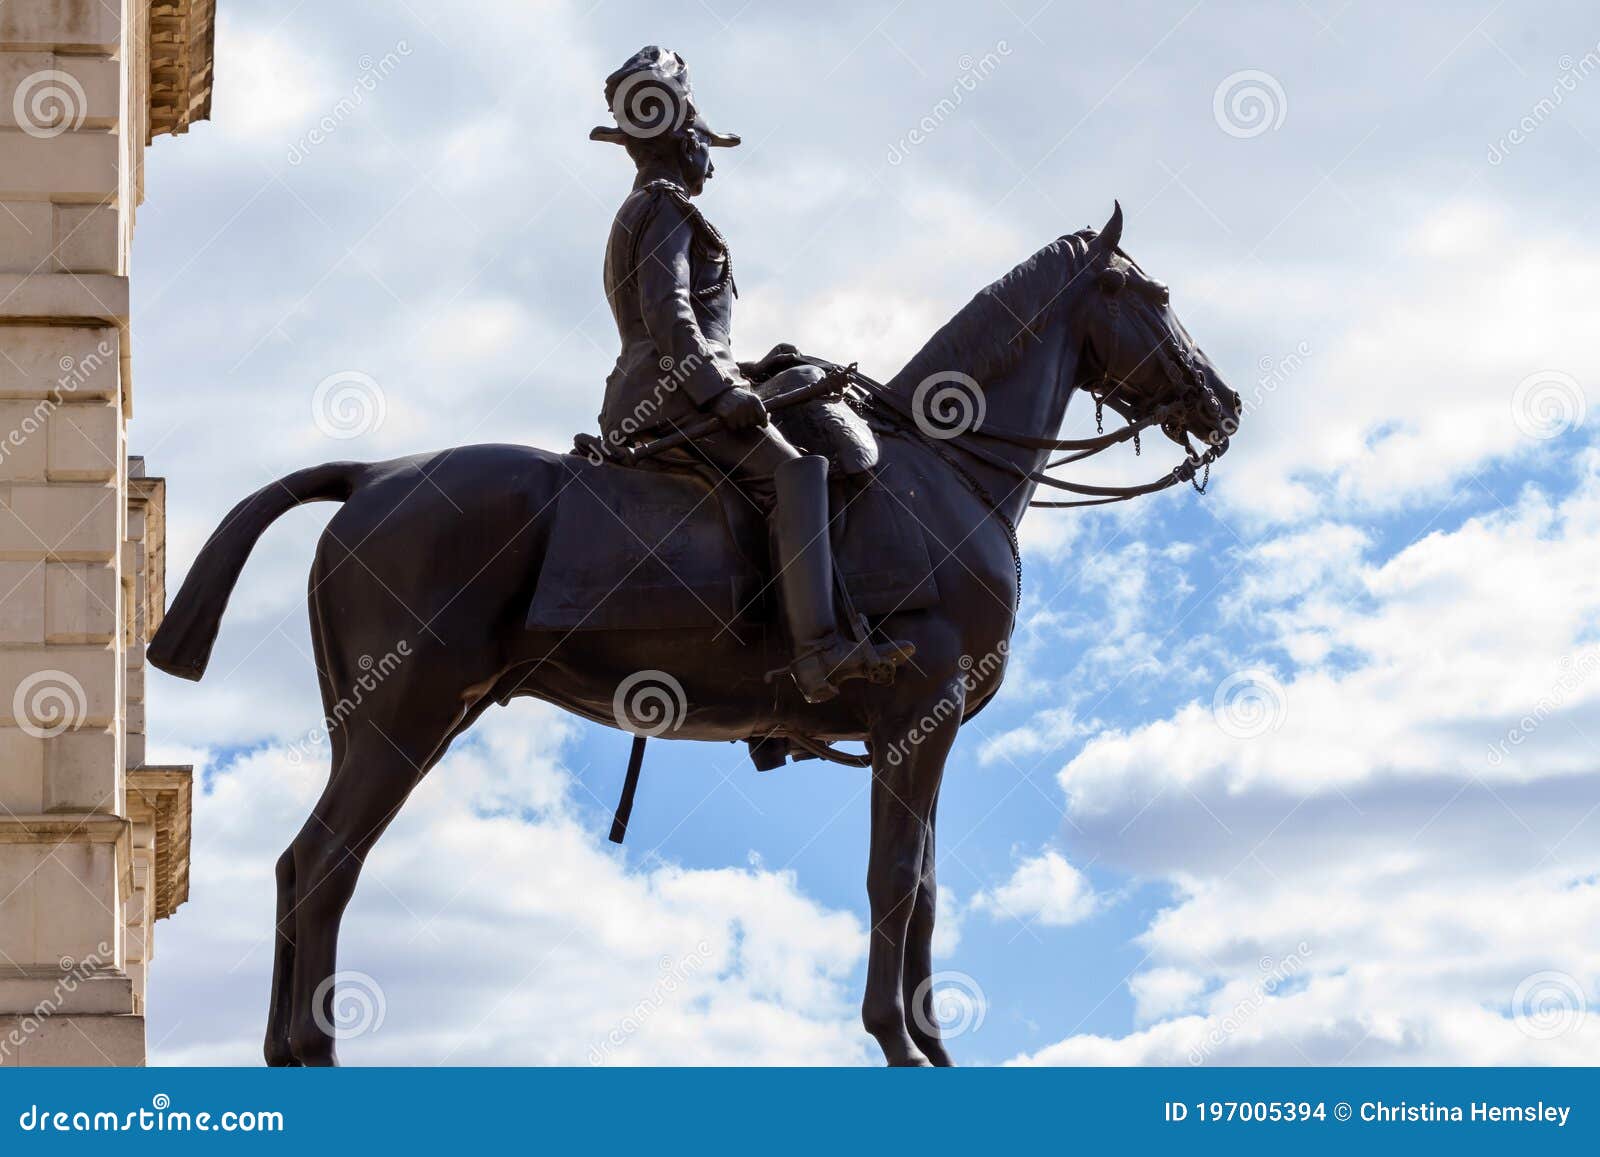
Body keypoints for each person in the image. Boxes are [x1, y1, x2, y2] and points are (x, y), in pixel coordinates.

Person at [590, 46, 913, 704]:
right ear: (682, 141)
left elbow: (691, 331)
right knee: (796, 472)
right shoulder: (667, 206)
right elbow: (668, 313)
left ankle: (764, 693)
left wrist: (756, 369)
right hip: (673, 398)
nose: (711, 156)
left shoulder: (647, 205)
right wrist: (722, 391)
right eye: (705, 141)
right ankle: (820, 652)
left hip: (666, 389)